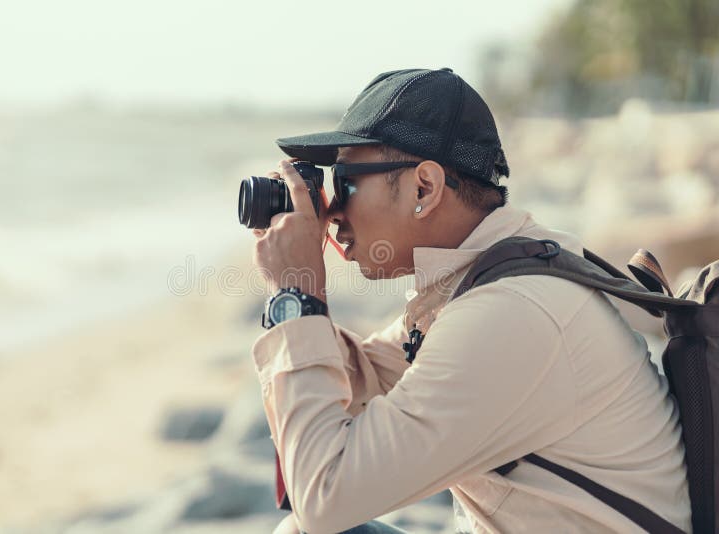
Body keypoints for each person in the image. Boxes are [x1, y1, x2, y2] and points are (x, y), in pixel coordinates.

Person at [250, 68, 691, 533]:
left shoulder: (511, 314)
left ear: (425, 187)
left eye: (345, 182)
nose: (333, 208)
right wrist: (292, 285)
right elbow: (362, 380)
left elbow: (325, 497)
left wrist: (296, 295)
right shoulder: (489, 275)